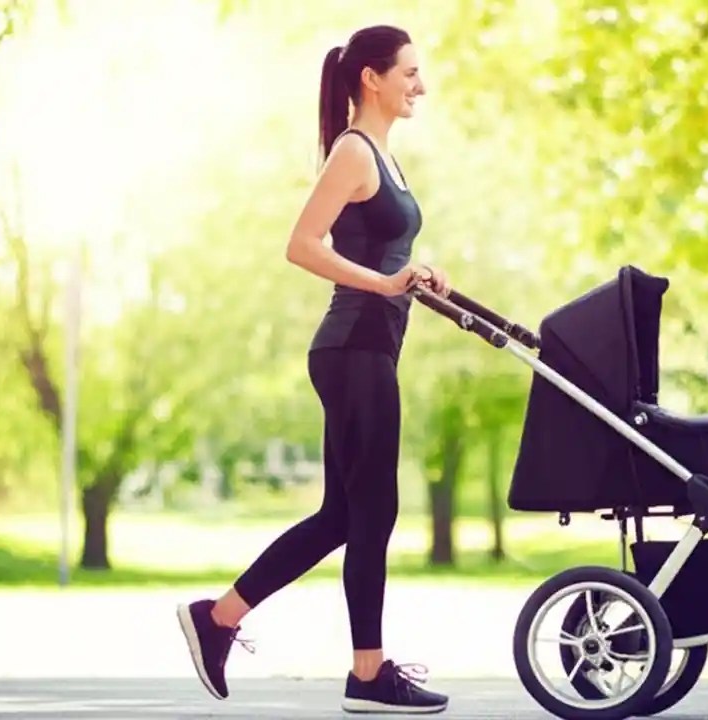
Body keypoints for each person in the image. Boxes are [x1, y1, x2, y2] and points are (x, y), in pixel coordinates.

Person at [176, 25, 451, 715]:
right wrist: (385, 287)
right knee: (373, 511)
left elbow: (378, 250)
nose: (421, 84)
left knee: (342, 515)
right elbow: (301, 245)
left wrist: (415, 278)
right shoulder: (353, 153)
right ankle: (367, 674)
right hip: (353, 349)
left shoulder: (383, 156)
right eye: (410, 72)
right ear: (372, 79)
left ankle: (219, 618)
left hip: (365, 350)